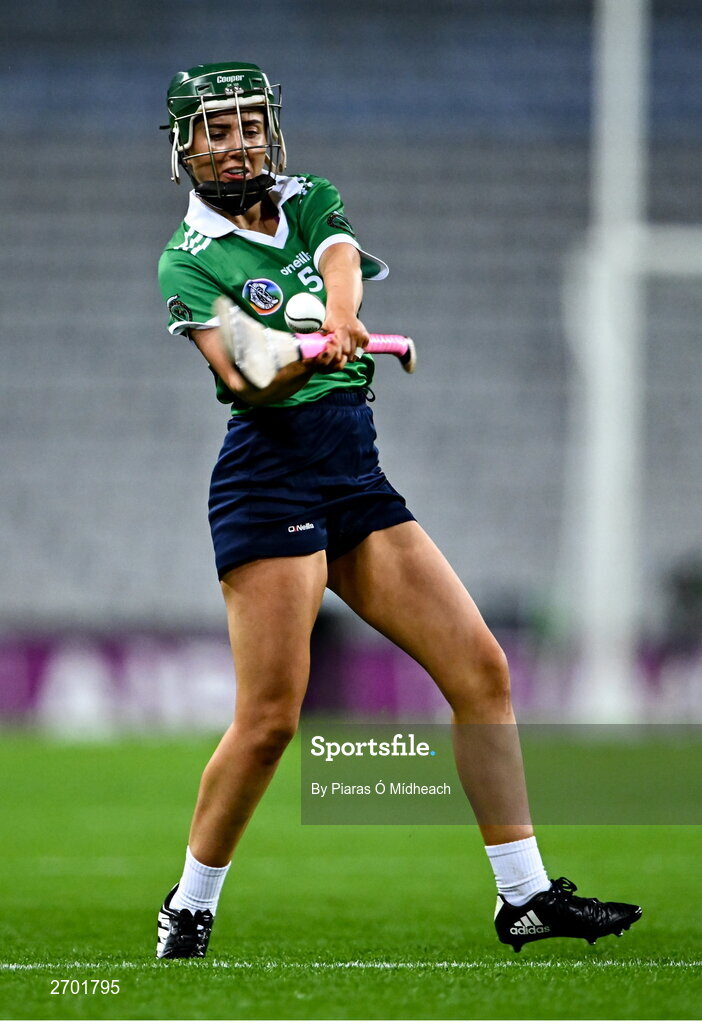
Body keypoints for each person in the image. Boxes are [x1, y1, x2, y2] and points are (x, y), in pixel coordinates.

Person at [155, 61, 642, 959]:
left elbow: (341, 256)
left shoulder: (309, 199)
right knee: (270, 721)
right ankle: (188, 907)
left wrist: (343, 315)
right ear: (183, 146)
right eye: (215, 129)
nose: (238, 143)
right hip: (271, 477)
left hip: (354, 471)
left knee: (481, 668)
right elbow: (241, 375)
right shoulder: (188, 260)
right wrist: (307, 355)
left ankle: (523, 897)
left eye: (250, 123)